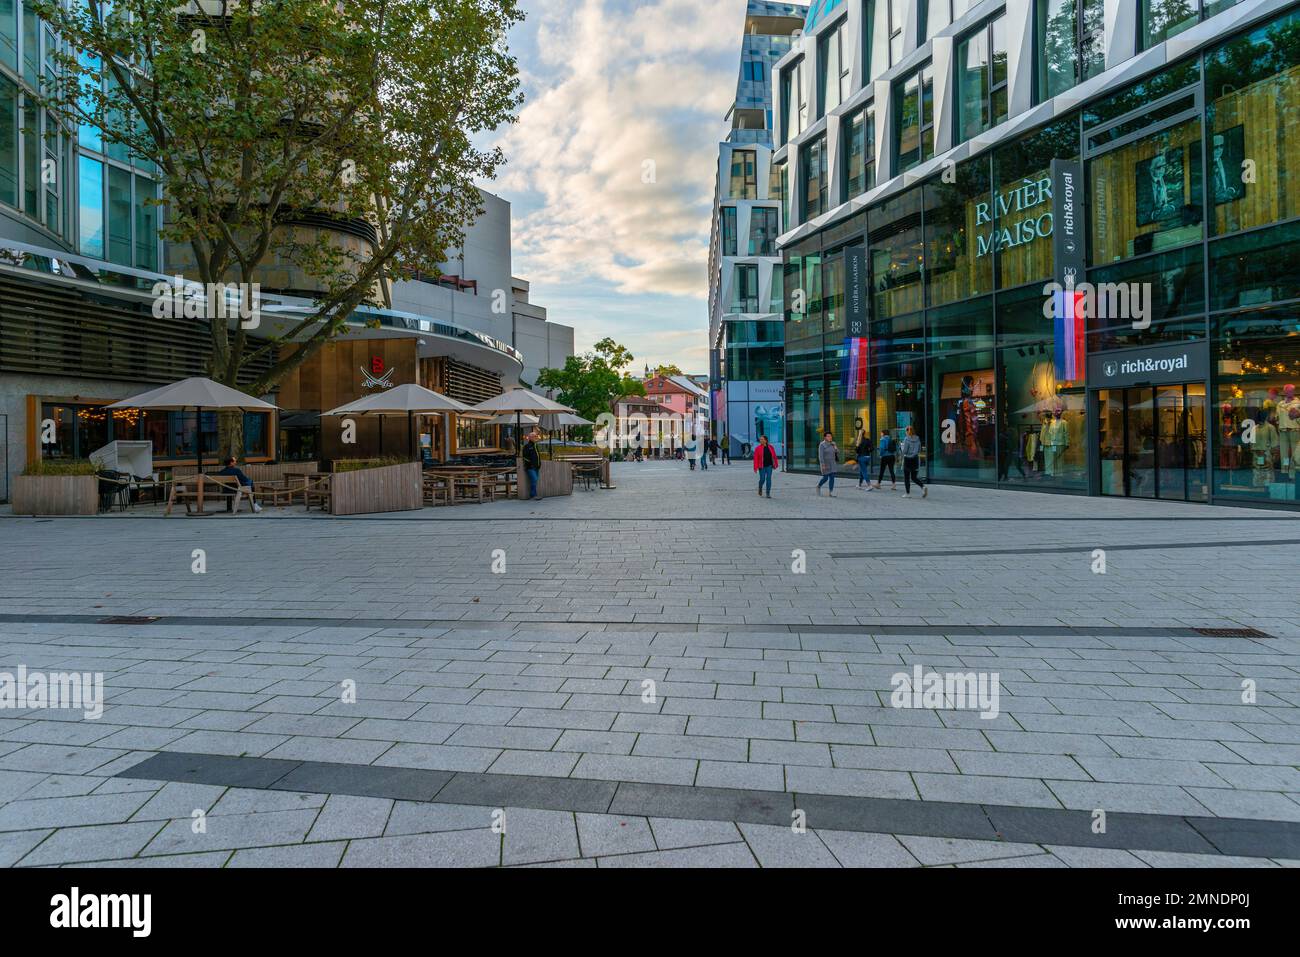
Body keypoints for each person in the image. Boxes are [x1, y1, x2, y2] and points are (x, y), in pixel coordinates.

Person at [900, 425, 927, 498]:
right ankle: (923, 487)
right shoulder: (917, 439)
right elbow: (919, 449)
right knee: (914, 477)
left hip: (908, 459)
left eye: (906, 431)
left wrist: (901, 448)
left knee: (906, 477)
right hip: (915, 459)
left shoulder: (906, 439)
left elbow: (905, 451)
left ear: (907, 431)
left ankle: (907, 493)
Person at [816, 431, 838, 496]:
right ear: (825, 437)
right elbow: (820, 456)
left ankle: (831, 492)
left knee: (832, 477)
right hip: (825, 463)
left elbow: (837, 451)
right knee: (825, 478)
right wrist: (822, 464)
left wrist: (835, 446)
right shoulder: (822, 445)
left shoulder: (833, 444)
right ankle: (818, 486)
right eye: (828, 436)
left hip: (832, 463)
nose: (830, 437)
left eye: (830, 436)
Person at [522, 430, 542, 500]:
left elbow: (538, 456)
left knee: (535, 481)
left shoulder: (535, 446)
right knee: (534, 479)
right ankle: (533, 495)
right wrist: (530, 464)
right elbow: (525, 457)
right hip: (530, 467)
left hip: (536, 467)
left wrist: (539, 464)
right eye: (534, 436)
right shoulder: (527, 446)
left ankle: (533, 494)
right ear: (530, 438)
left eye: (536, 436)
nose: (536, 437)